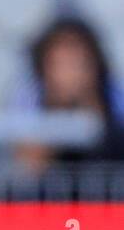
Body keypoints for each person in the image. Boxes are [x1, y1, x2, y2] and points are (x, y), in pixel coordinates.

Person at [7, 15, 124, 178]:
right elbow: (27, 169)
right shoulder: (30, 101)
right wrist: (58, 115)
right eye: (60, 63)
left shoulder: (114, 101)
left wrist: (87, 103)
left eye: (77, 62)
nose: (70, 73)